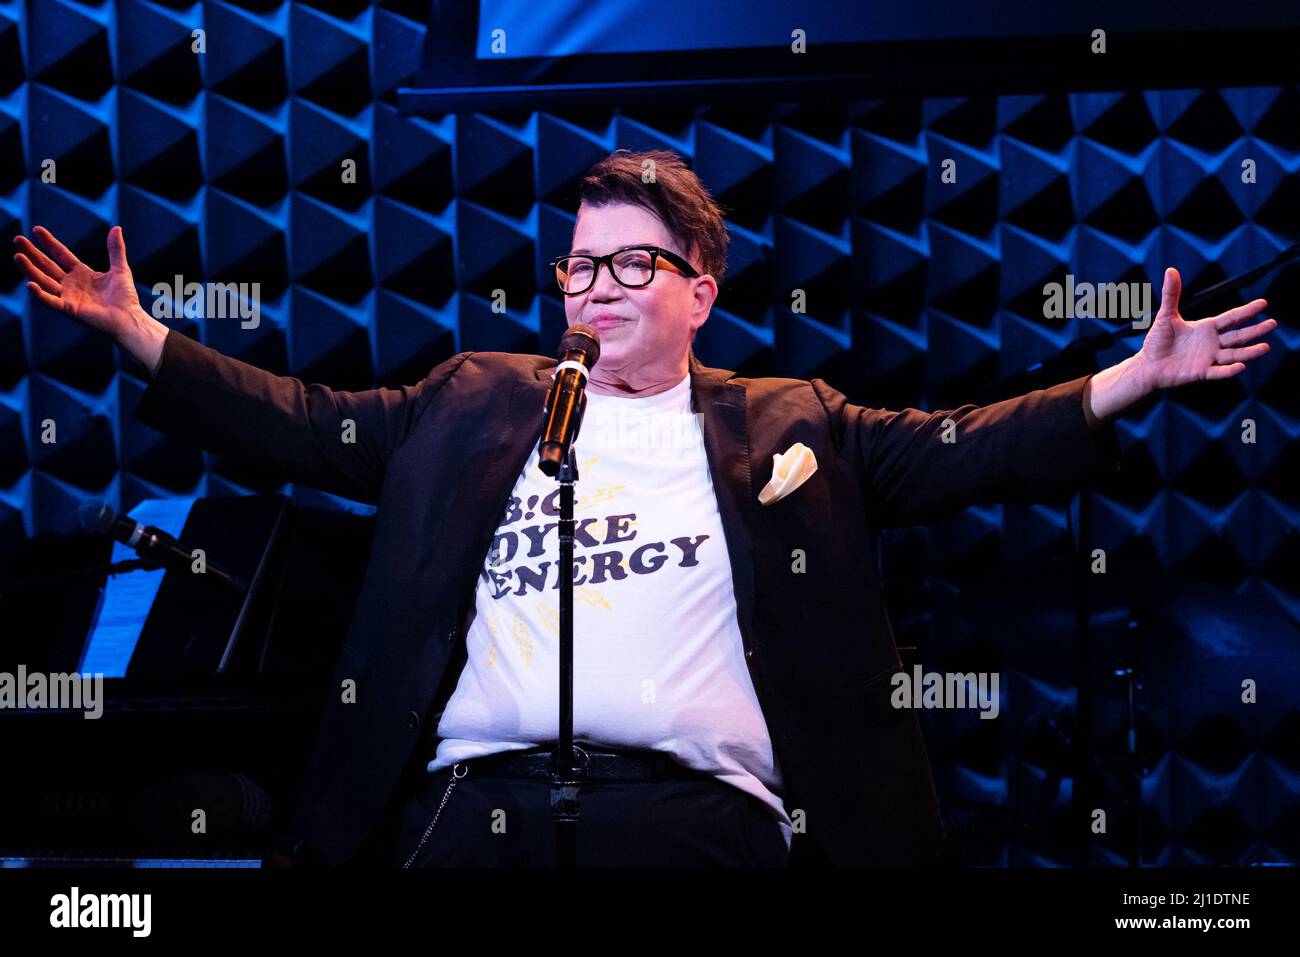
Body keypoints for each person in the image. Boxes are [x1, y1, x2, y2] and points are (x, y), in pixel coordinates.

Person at [12, 149, 1276, 867]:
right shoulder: (473, 400)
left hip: (692, 823)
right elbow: (301, 422)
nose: (598, 287)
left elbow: (968, 447)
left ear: (701, 291)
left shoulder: (790, 423)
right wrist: (142, 336)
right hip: (475, 811)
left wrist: (1130, 374)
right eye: (580, 263)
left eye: (632, 264)